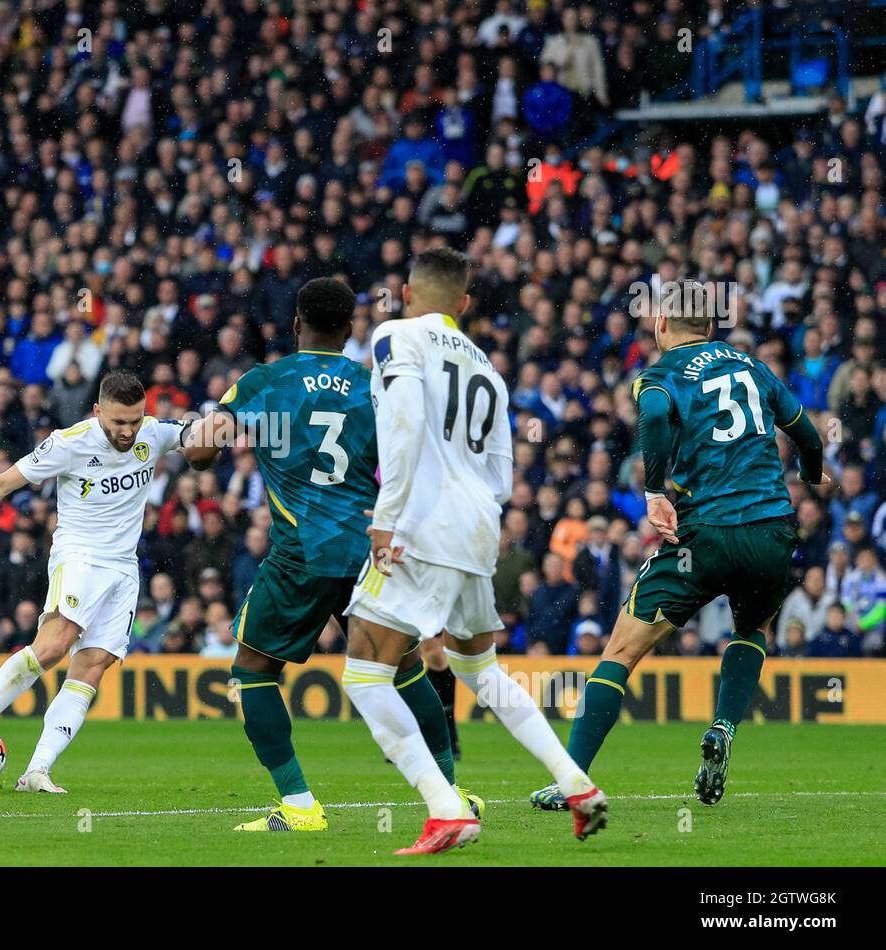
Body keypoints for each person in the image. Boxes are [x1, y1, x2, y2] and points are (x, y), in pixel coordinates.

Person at [185, 277, 478, 833]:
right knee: (405, 667)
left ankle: (298, 806)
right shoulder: (377, 385)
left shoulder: (263, 382)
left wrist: (208, 432)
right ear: (350, 330)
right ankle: (450, 796)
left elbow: (201, 453)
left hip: (301, 553)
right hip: (370, 551)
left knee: (252, 671)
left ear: (295, 325)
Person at [342, 248, 607, 854]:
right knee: (481, 670)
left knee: (363, 671)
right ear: (463, 304)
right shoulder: (488, 366)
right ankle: (577, 783)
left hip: (419, 525)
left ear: (407, 295)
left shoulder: (395, 335)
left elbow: (404, 423)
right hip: (477, 528)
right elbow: (502, 469)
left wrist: (389, 518)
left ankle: (445, 808)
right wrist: (477, 522)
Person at [531, 303, 830, 811]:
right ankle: (723, 725)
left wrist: (652, 490)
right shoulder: (753, 365)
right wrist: (809, 470)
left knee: (621, 652)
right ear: (711, 328)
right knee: (753, 628)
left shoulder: (661, 373)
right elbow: (807, 434)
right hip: (770, 530)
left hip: (705, 533)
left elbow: (650, 414)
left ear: (661, 325)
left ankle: (573, 779)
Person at [0, 371, 207, 794]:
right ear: (97, 412)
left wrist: (224, 418)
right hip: (80, 555)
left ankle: (36, 771)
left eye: (134, 420)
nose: (128, 431)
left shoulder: (156, 433)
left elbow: (200, 435)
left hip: (124, 568)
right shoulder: (69, 442)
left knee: (92, 667)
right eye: (117, 422)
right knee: (55, 644)